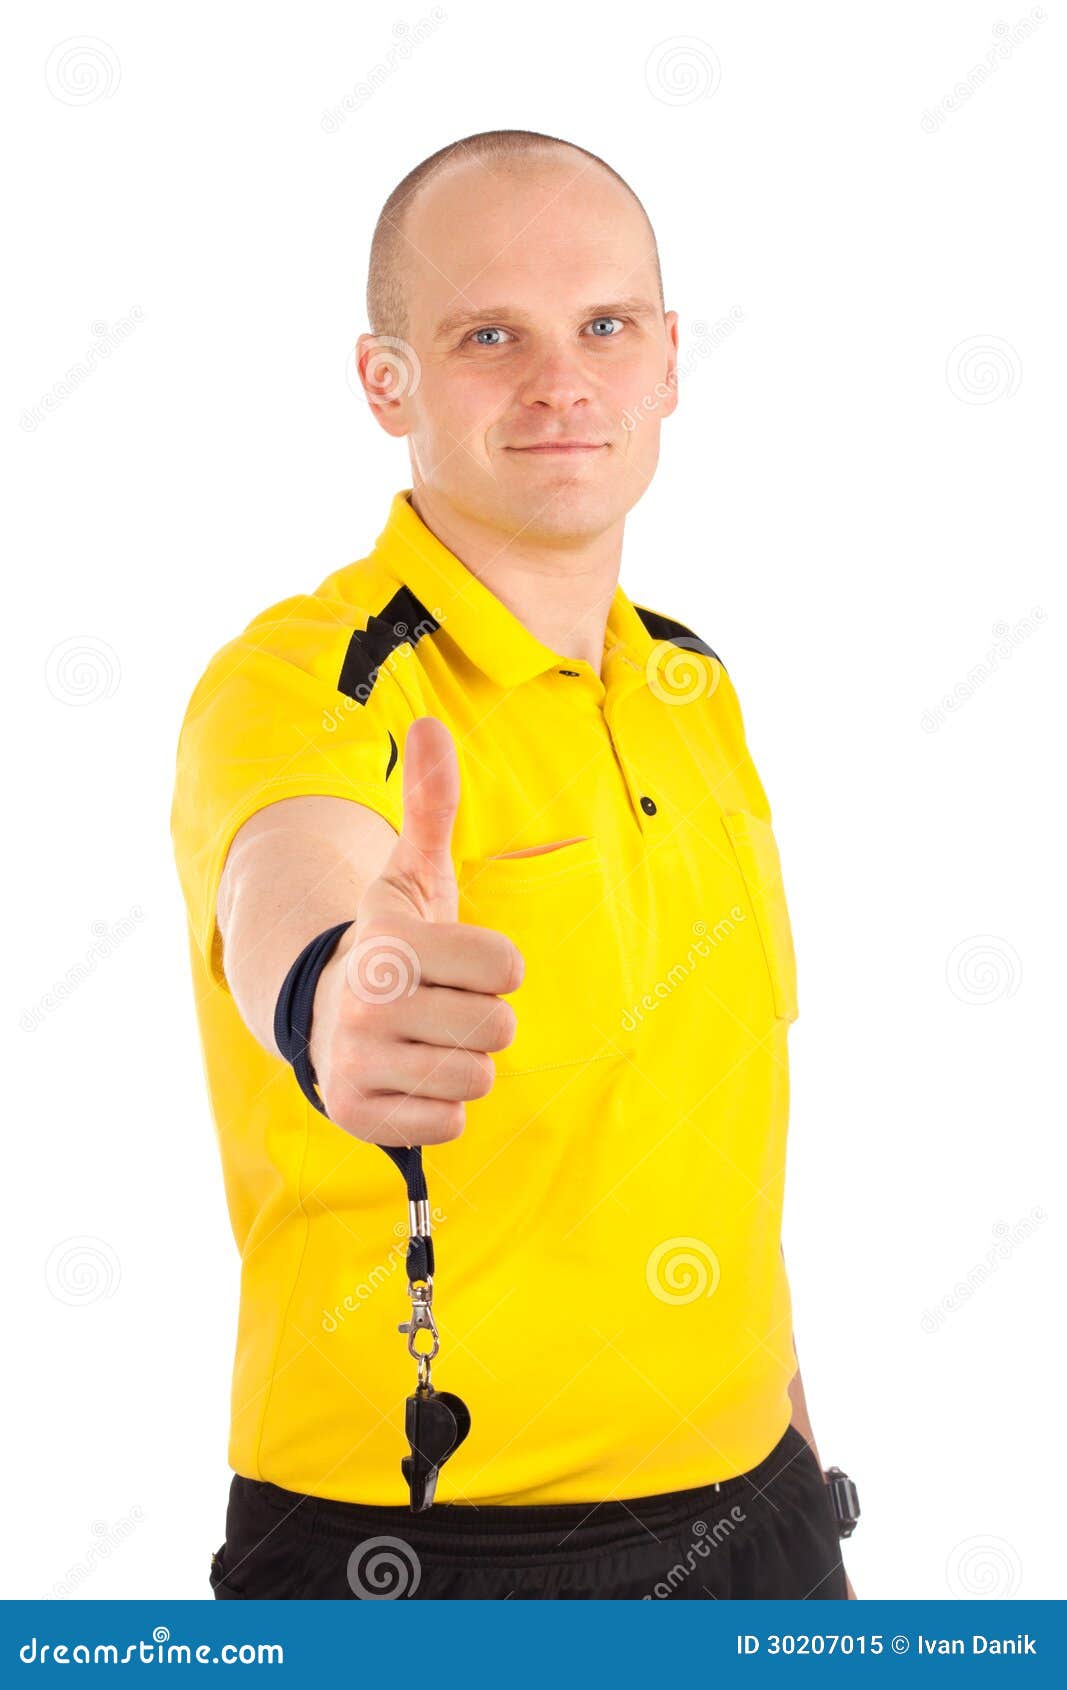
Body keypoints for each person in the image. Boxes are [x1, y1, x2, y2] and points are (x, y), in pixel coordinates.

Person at [171, 128, 857, 1600]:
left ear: (668, 360)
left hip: (761, 1516)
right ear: (387, 382)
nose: (563, 381)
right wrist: (334, 996)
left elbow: (706, 1122)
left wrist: (798, 1456)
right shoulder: (301, 681)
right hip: (431, 1553)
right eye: (491, 335)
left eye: (605, 325)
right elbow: (291, 867)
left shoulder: (690, 685)